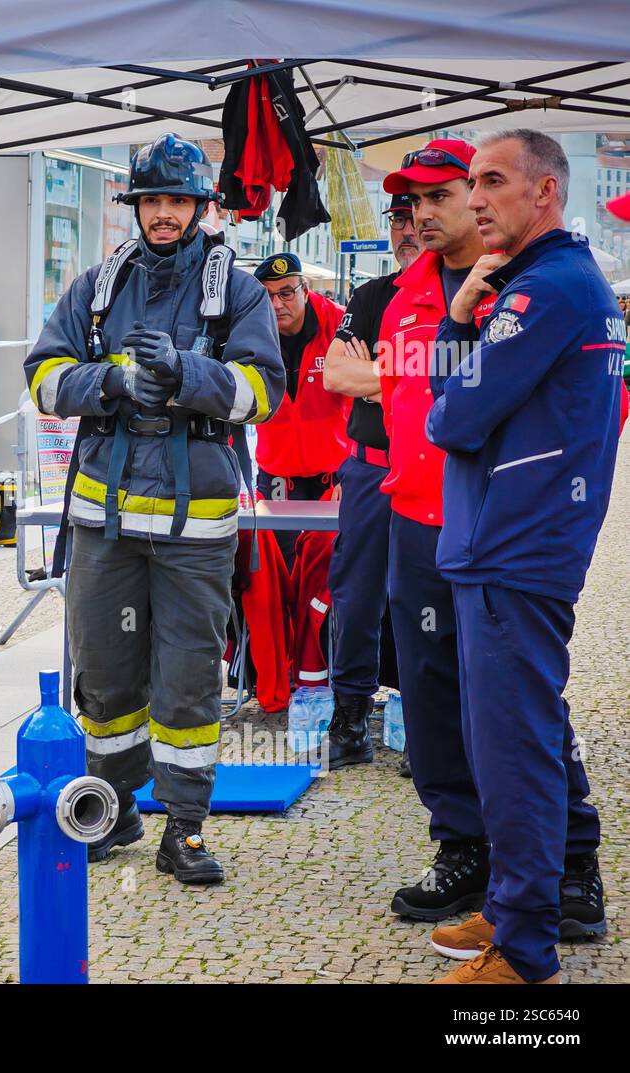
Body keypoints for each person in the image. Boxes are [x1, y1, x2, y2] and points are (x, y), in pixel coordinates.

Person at [24, 133, 285, 884]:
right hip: (102, 523)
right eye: (152, 201)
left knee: (187, 679)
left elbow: (262, 391)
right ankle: (115, 804)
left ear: (201, 207)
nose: (164, 214)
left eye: (177, 201)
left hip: (194, 528)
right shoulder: (97, 285)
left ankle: (187, 828)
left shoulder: (234, 289)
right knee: (104, 679)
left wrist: (186, 374)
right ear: (136, 207)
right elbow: (42, 377)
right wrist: (108, 381)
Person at [425, 130, 615, 985]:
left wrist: (459, 320)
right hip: (509, 540)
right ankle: (515, 903)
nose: (475, 200)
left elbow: (449, 419)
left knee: (513, 746)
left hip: (513, 543)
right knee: (517, 732)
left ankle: (528, 950)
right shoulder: (555, 284)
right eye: (472, 184)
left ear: (545, 191)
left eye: (492, 182)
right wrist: (465, 319)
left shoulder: (547, 292)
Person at [376, 139, 497, 927]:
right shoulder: (404, 295)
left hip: (495, 528)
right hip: (414, 524)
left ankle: (565, 858)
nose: (422, 214)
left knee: (514, 696)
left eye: (439, 196)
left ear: (478, 195)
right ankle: (462, 847)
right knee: (428, 697)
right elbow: (396, 404)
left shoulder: (520, 284)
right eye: (412, 201)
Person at [318, 194, 420, 770]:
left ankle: (424, 719)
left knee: (426, 594)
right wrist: (410, 380)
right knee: (355, 592)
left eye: (418, 214)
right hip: (370, 464)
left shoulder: (467, 293)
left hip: (434, 463)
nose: (406, 228)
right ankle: (351, 715)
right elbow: (336, 373)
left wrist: (380, 378)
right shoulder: (371, 295)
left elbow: (454, 384)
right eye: (399, 218)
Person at [252, 252, 349, 565]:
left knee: (331, 569)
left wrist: (352, 475)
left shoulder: (338, 323)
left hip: (333, 474)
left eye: (286, 292)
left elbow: (365, 400)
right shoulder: (251, 333)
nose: (277, 304)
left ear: (305, 290)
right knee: (282, 567)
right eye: (267, 295)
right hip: (278, 474)